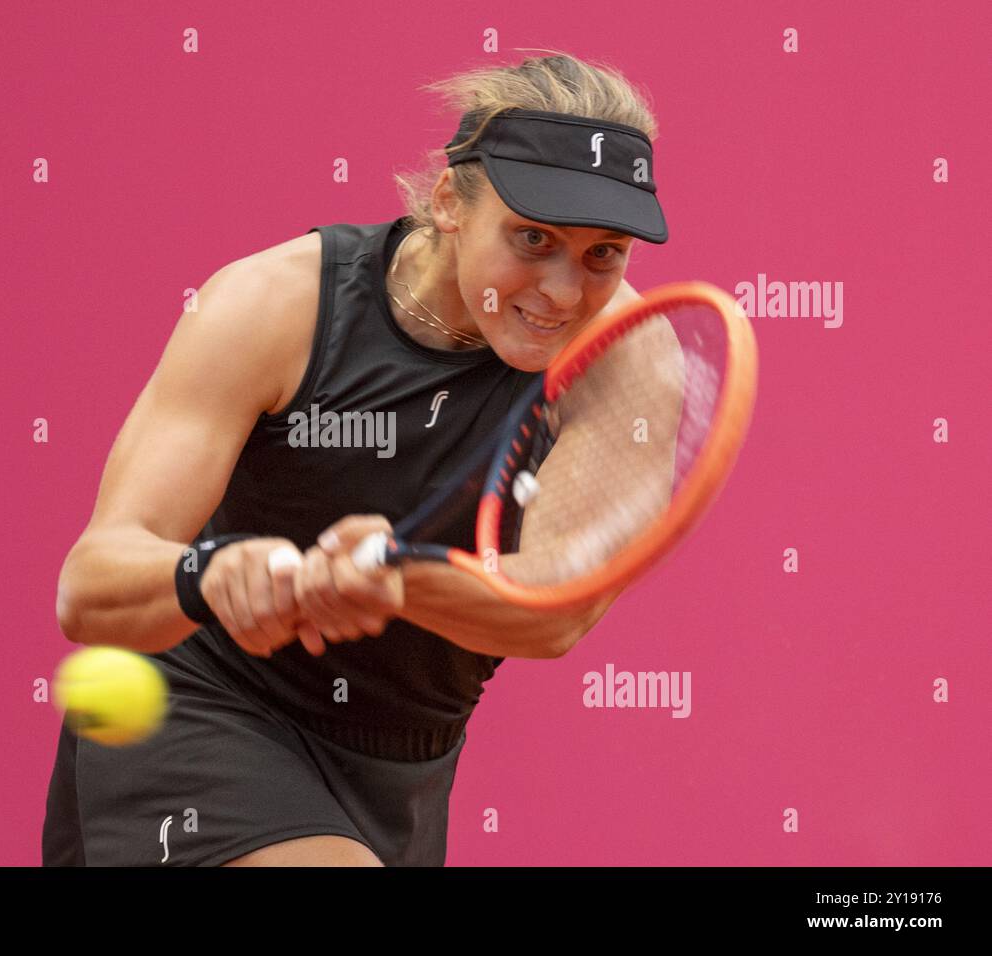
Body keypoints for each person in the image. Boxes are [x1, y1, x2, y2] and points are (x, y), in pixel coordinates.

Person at [42, 50, 668, 867]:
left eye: (602, 254)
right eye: (533, 237)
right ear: (449, 201)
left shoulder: (630, 357)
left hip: (402, 769)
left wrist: (392, 577)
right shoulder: (272, 306)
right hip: (207, 708)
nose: (560, 290)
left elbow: (555, 612)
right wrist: (212, 573)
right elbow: (90, 587)